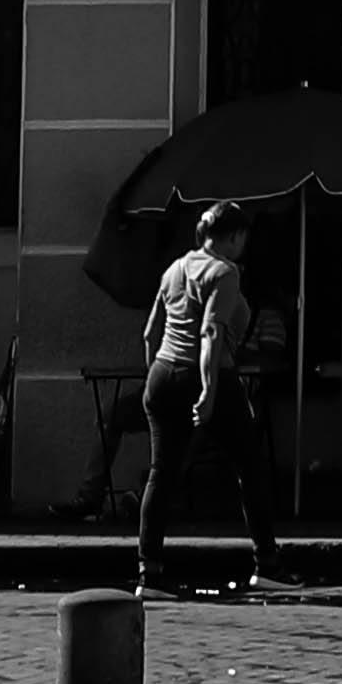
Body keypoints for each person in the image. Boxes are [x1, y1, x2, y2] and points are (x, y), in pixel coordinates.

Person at [137, 198, 276, 585]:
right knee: (250, 466)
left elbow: (150, 334)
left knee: (161, 473)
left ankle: (149, 575)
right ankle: (268, 565)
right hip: (209, 375)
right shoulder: (224, 272)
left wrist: (158, 379)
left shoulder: (175, 269)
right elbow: (211, 333)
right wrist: (209, 391)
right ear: (234, 237)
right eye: (243, 238)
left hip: (163, 373)